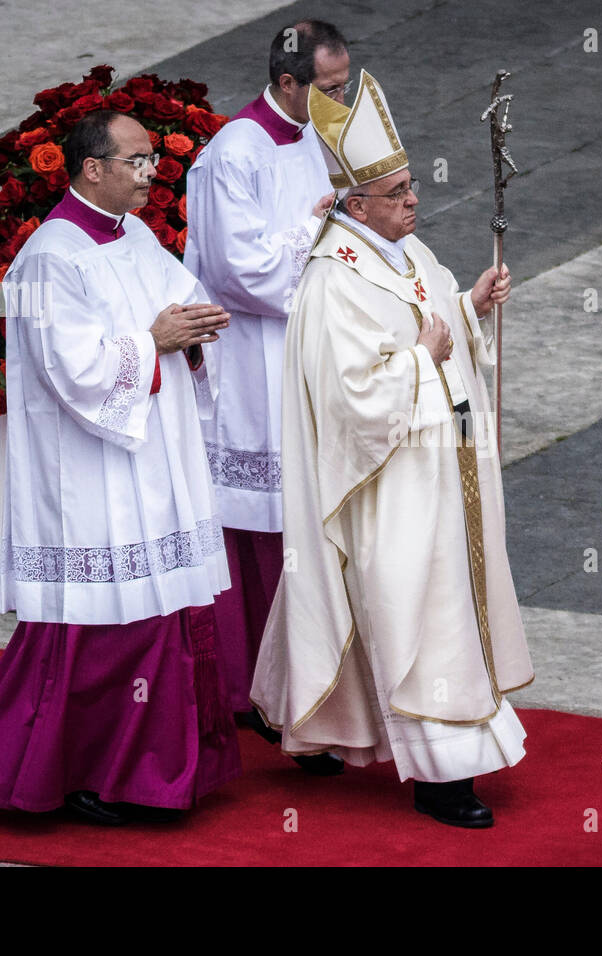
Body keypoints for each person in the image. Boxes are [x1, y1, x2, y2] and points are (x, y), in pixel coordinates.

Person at [249, 71, 534, 828]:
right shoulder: (330, 281)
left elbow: (434, 320)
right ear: (355, 203)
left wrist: (468, 308)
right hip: (388, 477)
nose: (415, 201)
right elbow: (348, 394)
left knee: (395, 603)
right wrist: (423, 359)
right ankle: (444, 775)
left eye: (412, 188)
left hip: (447, 462)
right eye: (400, 192)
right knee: (418, 611)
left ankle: (307, 724)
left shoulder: (406, 251)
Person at [0, 110, 238, 826]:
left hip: (150, 460)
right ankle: (88, 774)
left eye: (151, 161)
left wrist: (194, 330)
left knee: (158, 610)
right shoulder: (51, 258)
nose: (151, 173)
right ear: (91, 169)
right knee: (104, 626)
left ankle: (147, 770)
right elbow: (74, 372)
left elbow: (179, 304)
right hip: (92, 475)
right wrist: (156, 339)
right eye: (137, 161)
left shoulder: (132, 233)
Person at [185, 19, 348, 774]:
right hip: (256, 360)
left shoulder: (316, 134)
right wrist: (318, 244)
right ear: (287, 83)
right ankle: (261, 691)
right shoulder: (234, 153)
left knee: (309, 528)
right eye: (329, 89)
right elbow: (234, 269)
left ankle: (310, 689)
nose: (341, 102)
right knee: (265, 536)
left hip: (313, 350)